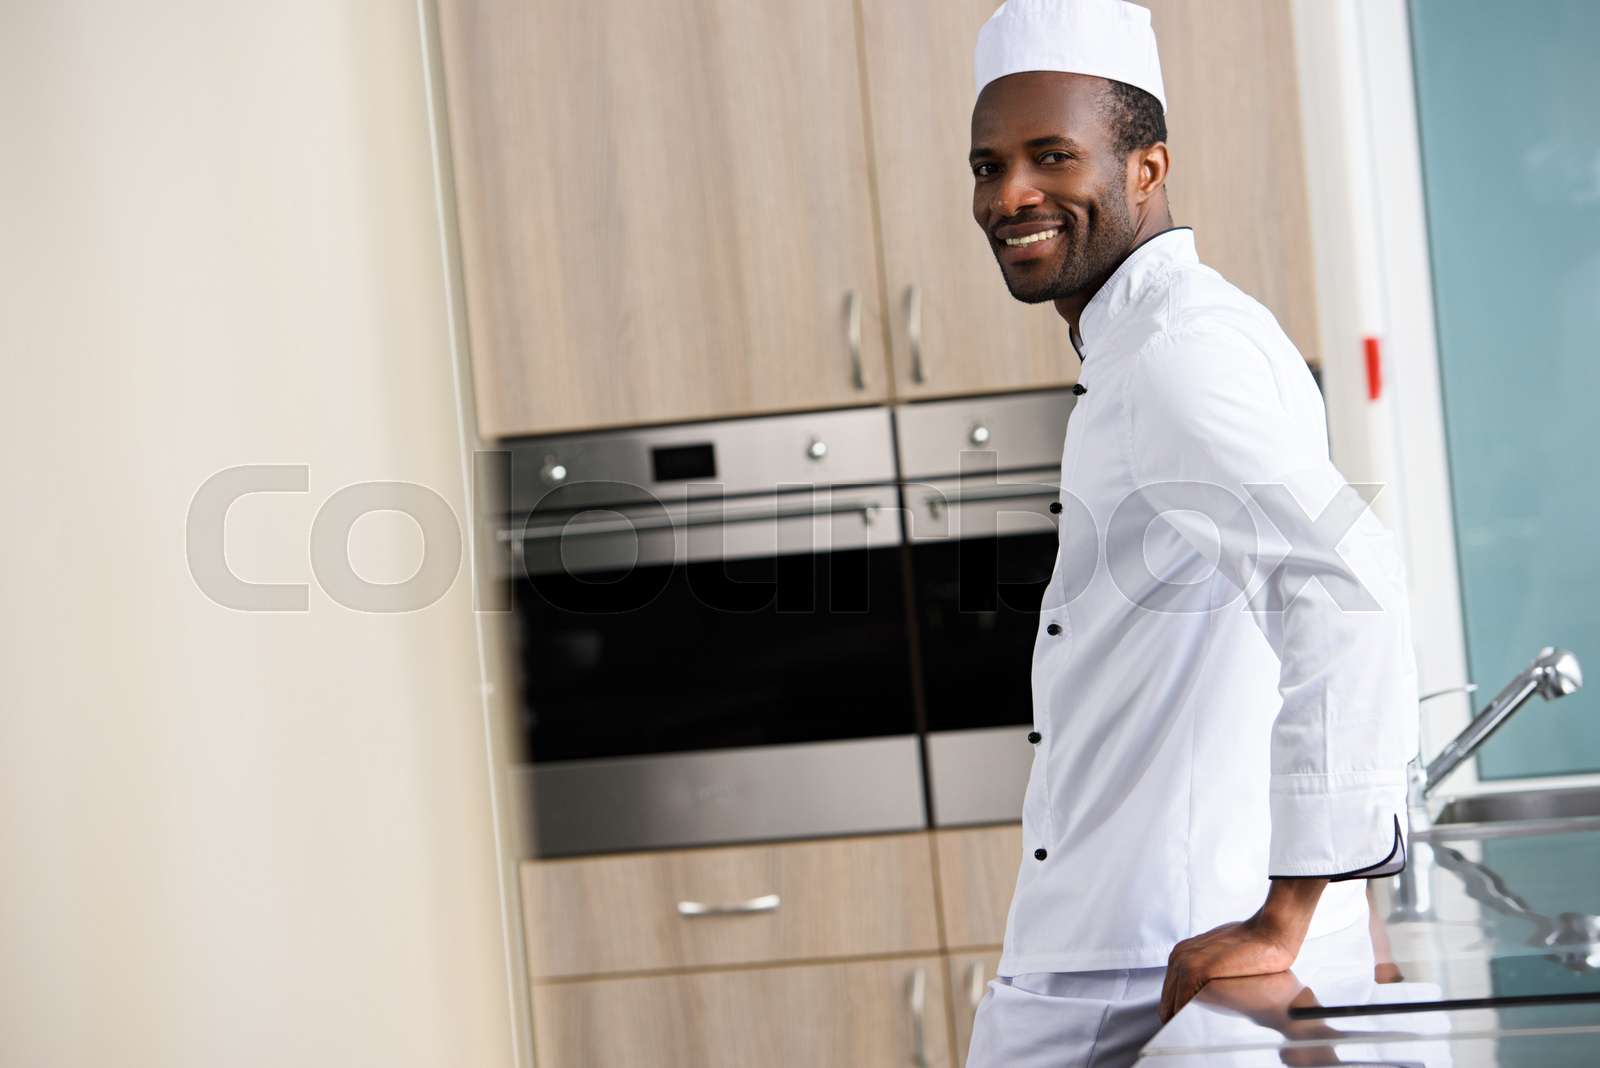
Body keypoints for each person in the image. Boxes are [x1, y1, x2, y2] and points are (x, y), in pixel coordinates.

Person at [961, 2, 1420, 1065]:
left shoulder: (1179, 356)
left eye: (1052, 156)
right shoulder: (1166, 340)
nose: (1010, 194)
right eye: (989, 165)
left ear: (1148, 167)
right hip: (1133, 935)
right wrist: (1348, 908)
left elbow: (1345, 589)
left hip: (1144, 955)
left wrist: (1291, 913)